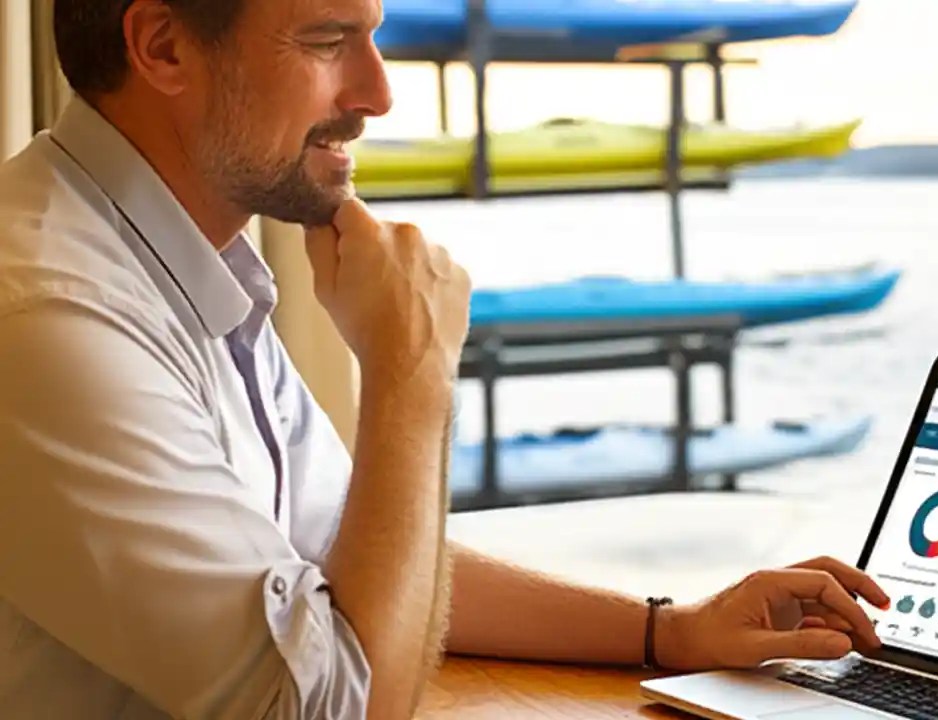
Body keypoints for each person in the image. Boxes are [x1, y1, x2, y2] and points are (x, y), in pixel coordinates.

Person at [0, 1, 890, 718]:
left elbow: (341, 561)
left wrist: (672, 631)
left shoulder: (173, 261)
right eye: (328, 39)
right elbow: (329, 706)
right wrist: (411, 370)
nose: (378, 92)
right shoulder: (51, 316)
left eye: (375, 36)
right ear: (163, 47)